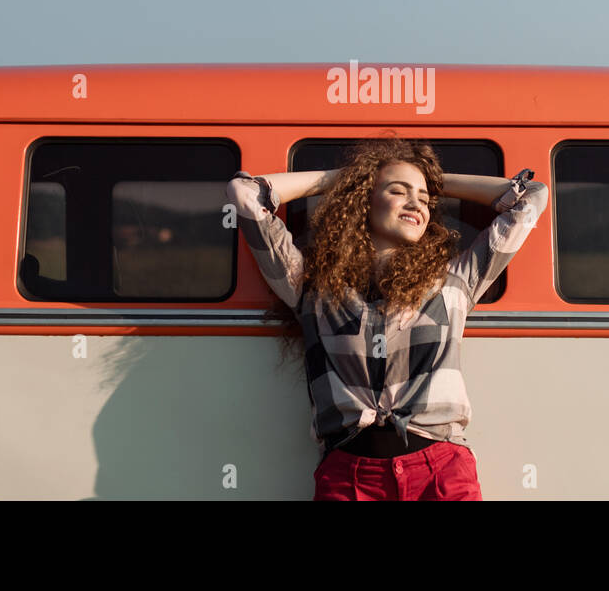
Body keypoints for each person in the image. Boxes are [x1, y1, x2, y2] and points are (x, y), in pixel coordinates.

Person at [225, 135, 548, 500]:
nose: (417, 204)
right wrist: (347, 179)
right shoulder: (311, 287)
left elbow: (532, 198)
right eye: (398, 191)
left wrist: (433, 181)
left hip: (440, 474)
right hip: (349, 478)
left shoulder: (456, 280)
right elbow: (246, 195)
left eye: (425, 199)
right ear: (364, 199)